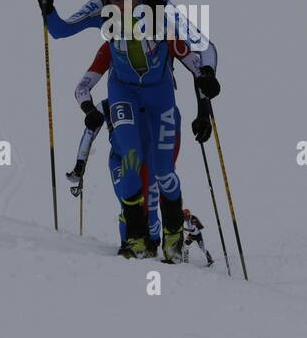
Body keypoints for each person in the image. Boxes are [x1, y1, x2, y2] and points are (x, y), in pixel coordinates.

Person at [31, 0, 218, 263]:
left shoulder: (160, 9)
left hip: (159, 97)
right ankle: (135, 238)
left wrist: (207, 84)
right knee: (130, 156)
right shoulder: (102, 6)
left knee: (162, 170)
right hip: (123, 93)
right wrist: (47, 3)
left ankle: (173, 234)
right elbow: (62, 30)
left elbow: (204, 47)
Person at [68, 39, 213, 257]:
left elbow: (200, 67)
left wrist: (203, 112)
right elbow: (88, 131)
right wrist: (79, 166)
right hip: (121, 158)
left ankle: (170, 236)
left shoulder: (163, 41)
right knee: (129, 199)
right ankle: (134, 245)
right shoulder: (109, 104)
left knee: (152, 201)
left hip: (153, 148)